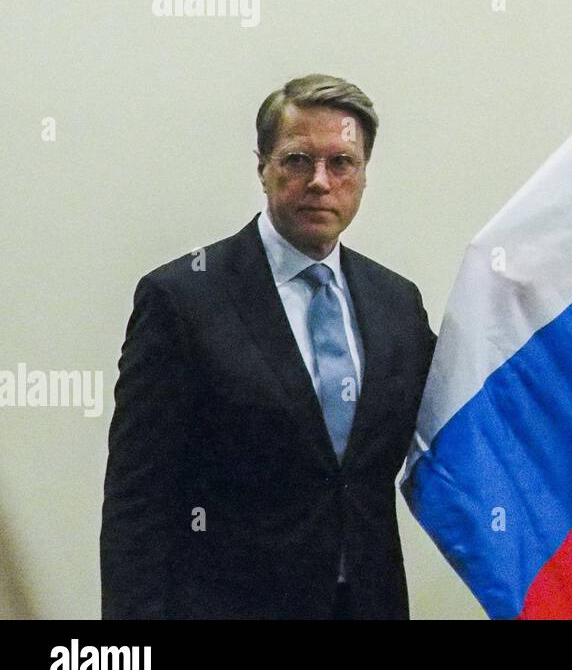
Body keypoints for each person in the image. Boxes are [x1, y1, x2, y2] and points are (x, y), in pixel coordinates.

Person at [100, 74, 436, 619]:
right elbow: (138, 502)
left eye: (341, 162)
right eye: (298, 160)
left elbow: (460, 422)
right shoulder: (183, 299)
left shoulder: (396, 303)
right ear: (263, 166)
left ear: (365, 174)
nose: (320, 182)